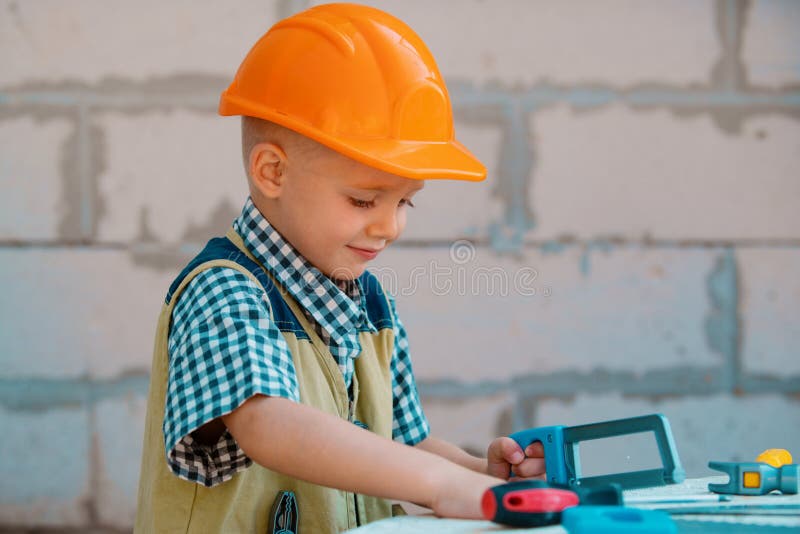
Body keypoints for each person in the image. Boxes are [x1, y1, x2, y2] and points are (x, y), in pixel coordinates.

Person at [135, 4, 544, 533]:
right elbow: (267, 423)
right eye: (362, 200)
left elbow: (401, 444)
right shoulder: (223, 290)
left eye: (405, 203)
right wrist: (443, 486)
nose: (390, 227)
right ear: (272, 172)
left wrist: (478, 477)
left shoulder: (370, 303)